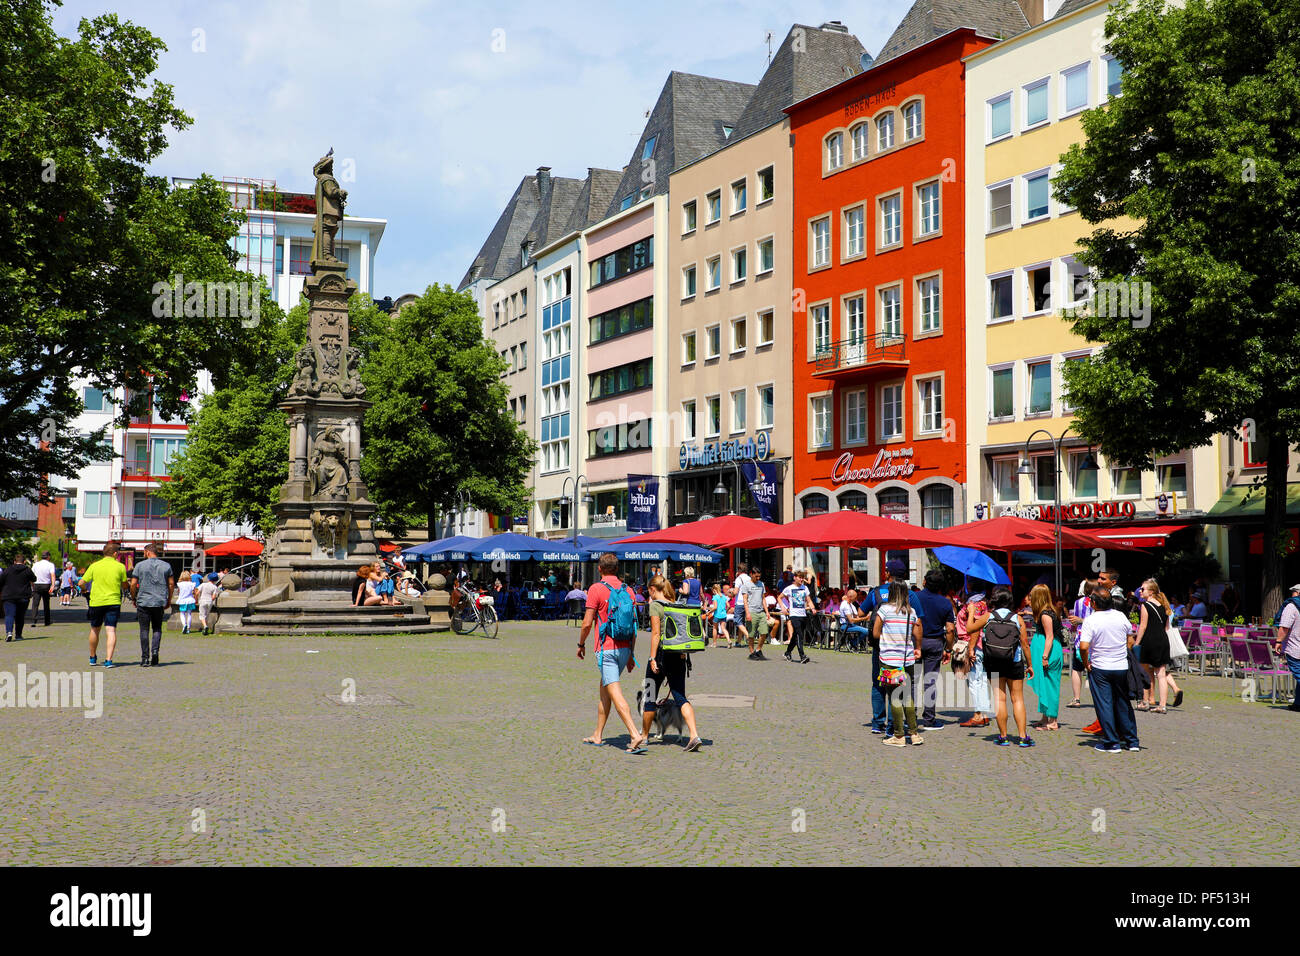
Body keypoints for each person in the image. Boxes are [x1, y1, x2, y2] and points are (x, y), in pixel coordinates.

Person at [577, 553, 646, 753]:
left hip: (606, 650)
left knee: (615, 693)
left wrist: (581, 644)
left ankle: (634, 734)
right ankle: (597, 734)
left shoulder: (596, 589)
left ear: (599, 569)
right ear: (617, 569)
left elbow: (587, 623)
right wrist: (631, 654)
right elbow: (634, 626)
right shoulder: (629, 591)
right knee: (605, 691)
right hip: (624, 649)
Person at [860, 559, 924, 735]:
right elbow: (918, 623)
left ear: (888, 573)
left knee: (878, 683)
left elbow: (860, 612)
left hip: (881, 646)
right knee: (896, 686)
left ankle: (877, 723)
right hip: (901, 649)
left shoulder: (876, 592)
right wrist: (918, 646)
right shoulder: (910, 595)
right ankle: (892, 726)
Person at [640, 575, 702, 751]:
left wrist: (652, 658)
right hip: (679, 656)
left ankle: (644, 737)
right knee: (681, 697)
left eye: (648, 590)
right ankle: (694, 735)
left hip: (660, 656)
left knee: (650, 695)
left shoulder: (656, 606)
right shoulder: (678, 603)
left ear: (653, 589)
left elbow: (655, 634)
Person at [1079, 585, 1140, 753]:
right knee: (1123, 702)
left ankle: (1111, 742)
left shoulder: (1091, 620)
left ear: (1093, 603)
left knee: (1104, 704)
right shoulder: (1120, 616)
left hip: (1100, 666)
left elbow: (1083, 646)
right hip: (1120, 666)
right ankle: (1131, 741)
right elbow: (1130, 640)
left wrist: (1086, 663)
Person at [872, 579, 924, 747]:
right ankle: (914, 734)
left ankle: (899, 736)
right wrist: (917, 647)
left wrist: (888, 639)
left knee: (894, 697)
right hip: (907, 659)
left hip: (889, 660)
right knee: (907, 697)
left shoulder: (884, 610)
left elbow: (875, 633)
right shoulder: (911, 611)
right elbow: (917, 632)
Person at [982, 586, 1035, 747]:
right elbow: (1025, 644)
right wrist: (1030, 664)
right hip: (1014, 661)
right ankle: (1022, 737)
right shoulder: (1017, 618)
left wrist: (971, 613)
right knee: (1017, 699)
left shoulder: (988, 617)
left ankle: (1003, 736)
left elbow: (970, 629)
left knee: (999, 699)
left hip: (994, 661)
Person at [914, 568, 956, 730]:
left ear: (924, 581)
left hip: (915, 641)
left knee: (912, 680)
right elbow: (950, 629)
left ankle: (909, 716)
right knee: (930, 681)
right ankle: (929, 719)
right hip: (935, 642)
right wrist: (949, 649)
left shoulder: (914, 597)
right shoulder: (945, 602)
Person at [1135, 578, 1182, 712]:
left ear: (1151, 592)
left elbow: (1143, 627)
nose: (1140, 591)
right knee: (1161, 674)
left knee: (1145, 672)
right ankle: (1162, 705)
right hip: (1163, 640)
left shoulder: (1145, 606)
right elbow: (1167, 627)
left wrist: (1137, 643)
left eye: (1143, 589)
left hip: (1149, 641)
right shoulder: (1164, 606)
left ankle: (1145, 702)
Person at [81, 542, 129, 667]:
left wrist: (84, 590)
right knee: (111, 630)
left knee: (94, 629)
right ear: (114, 553)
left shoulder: (94, 566)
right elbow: (125, 585)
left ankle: (92, 657)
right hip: (113, 602)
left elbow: (81, 582)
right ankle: (108, 660)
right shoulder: (120, 567)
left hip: (96, 601)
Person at [130, 543, 175, 667]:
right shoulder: (166, 566)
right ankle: (155, 652)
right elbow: (171, 584)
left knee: (144, 629)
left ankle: (145, 658)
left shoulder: (139, 565)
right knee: (157, 628)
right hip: (159, 601)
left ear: (148, 552)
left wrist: (133, 597)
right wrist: (169, 599)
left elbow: (133, 583)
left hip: (143, 601)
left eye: (144, 552)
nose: (143, 554)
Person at [1027, 584, 1064, 730]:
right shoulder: (1046, 612)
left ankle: (1053, 721)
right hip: (1045, 650)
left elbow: (1049, 637)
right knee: (1044, 685)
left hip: (1049, 652)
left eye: (1031, 596)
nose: (1029, 598)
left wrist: (1044, 657)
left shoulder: (1045, 615)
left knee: (1051, 686)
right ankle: (1044, 718)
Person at [956, 591, 991, 728]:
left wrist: (971, 648)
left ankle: (978, 715)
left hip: (972, 645)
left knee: (974, 681)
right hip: (979, 645)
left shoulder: (973, 606)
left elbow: (975, 628)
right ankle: (984, 713)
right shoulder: (983, 604)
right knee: (981, 680)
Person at [1274, 584, 1300, 712]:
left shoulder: (1291, 606)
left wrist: (1278, 641)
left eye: (1294, 593)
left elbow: (1284, 627)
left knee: (1299, 675)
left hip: (1295, 648)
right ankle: (1298, 704)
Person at [1, 552, 38, 642]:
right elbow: (34, 579)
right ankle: (18, 635)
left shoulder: (8, 570)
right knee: (20, 616)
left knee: (9, 615)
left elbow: (1, 581)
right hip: (23, 596)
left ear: (14, 561)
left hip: (9, 596)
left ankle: (9, 632)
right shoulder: (27, 570)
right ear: (24, 561)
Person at [780, 570, 813, 664]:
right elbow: (780, 597)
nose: (802, 579)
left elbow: (809, 600)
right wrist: (783, 607)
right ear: (795, 577)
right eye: (800, 577)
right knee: (800, 635)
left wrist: (813, 608)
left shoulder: (805, 588)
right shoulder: (789, 588)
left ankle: (787, 652)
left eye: (803, 577)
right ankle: (802, 656)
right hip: (794, 614)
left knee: (796, 636)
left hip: (803, 614)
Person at [741, 564, 769, 660]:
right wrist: (747, 613)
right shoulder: (746, 585)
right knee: (751, 634)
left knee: (764, 632)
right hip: (751, 611)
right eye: (756, 576)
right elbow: (745, 600)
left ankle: (758, 650)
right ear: (751, 574)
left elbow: (763, 598)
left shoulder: (761, 584)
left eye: (759, 576)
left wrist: (767, 612)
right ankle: (752, 652)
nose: (758, 578)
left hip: (761, 611)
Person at [29, 550, 57, 628]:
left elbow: (31, 575)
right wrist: (53, 585)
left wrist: (32, 585)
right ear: (48, 557)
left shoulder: (36, 564)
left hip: (37, 585)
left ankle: (33, 620)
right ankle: (47, 621)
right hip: (46, 585)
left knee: (35, 604)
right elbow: (53, 575)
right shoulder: (50, 565)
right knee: (46, 603)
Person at [838, 588, 871, 652]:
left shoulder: (850, 604)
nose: (856, 599)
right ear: (850, 597)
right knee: (867, 631)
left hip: (850, 625)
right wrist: (865, 618)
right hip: (845, 626)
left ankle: (853, 643)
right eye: (855, 598)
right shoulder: (845, 605)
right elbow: (851, 620)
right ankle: (853, 643)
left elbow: (856, 615)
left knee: (867, 630)